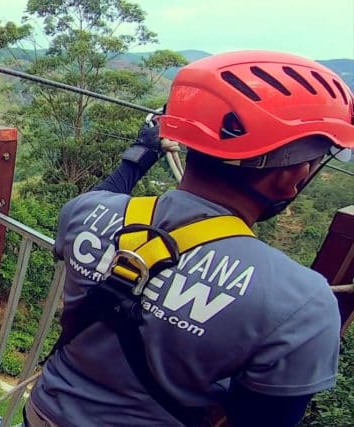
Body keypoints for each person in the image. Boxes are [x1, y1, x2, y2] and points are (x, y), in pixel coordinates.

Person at [26, 50, 353, 426]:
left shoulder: (83, 213)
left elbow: (101, 197)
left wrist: (140, 153)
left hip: (42, 411)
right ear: (288, 177)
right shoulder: (301, 302)